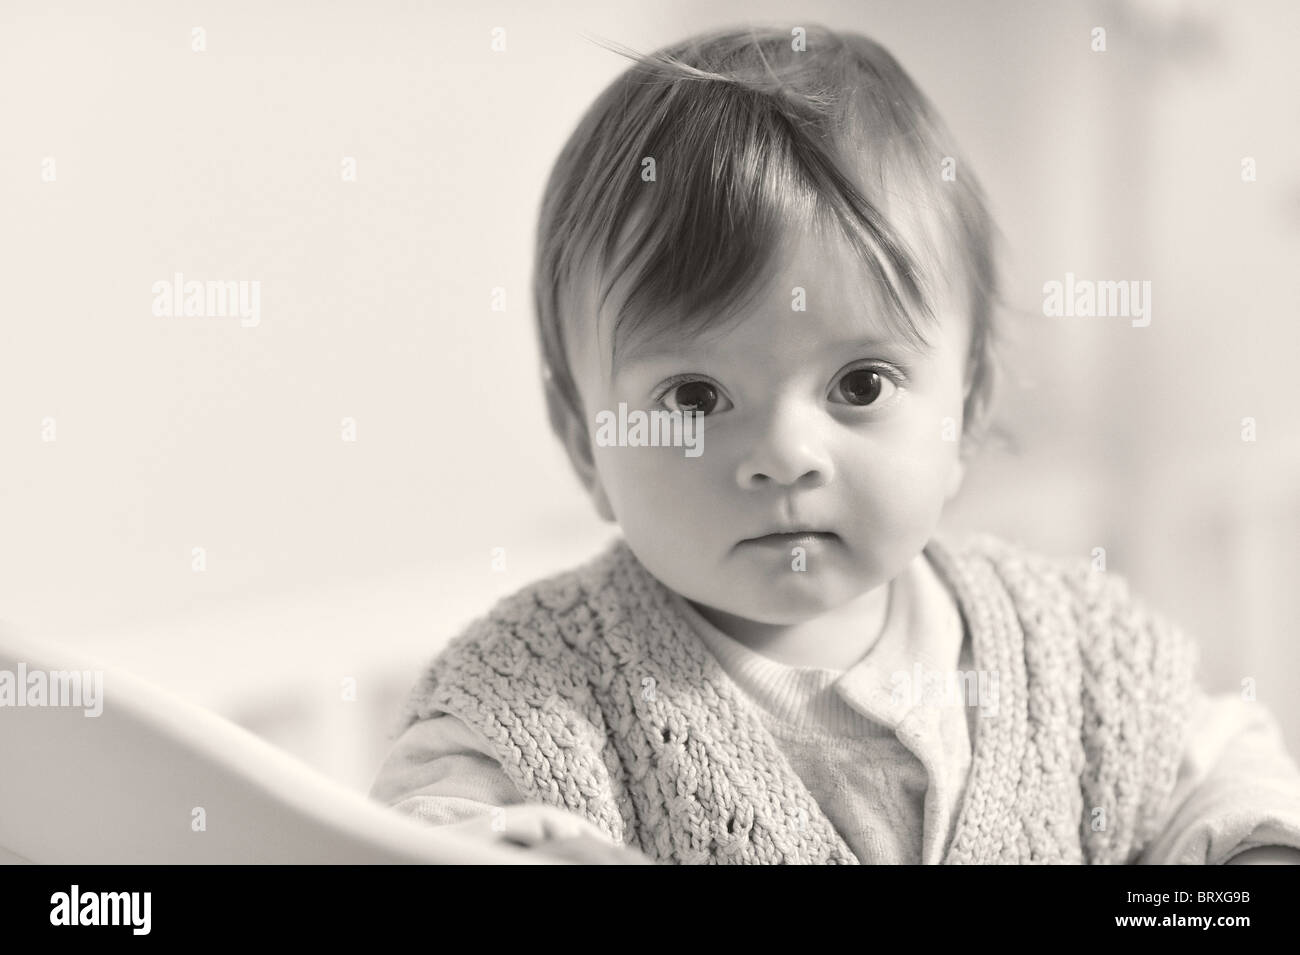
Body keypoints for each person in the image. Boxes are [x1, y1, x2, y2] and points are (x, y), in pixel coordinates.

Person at [369, 24, 1300, 864]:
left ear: (967, 409)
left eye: (860, 385)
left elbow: (1218, 778)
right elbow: (408, 832)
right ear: (584, 438)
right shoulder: (533, 706)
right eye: (696, 395)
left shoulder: (1073, 654)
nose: (784, 454)